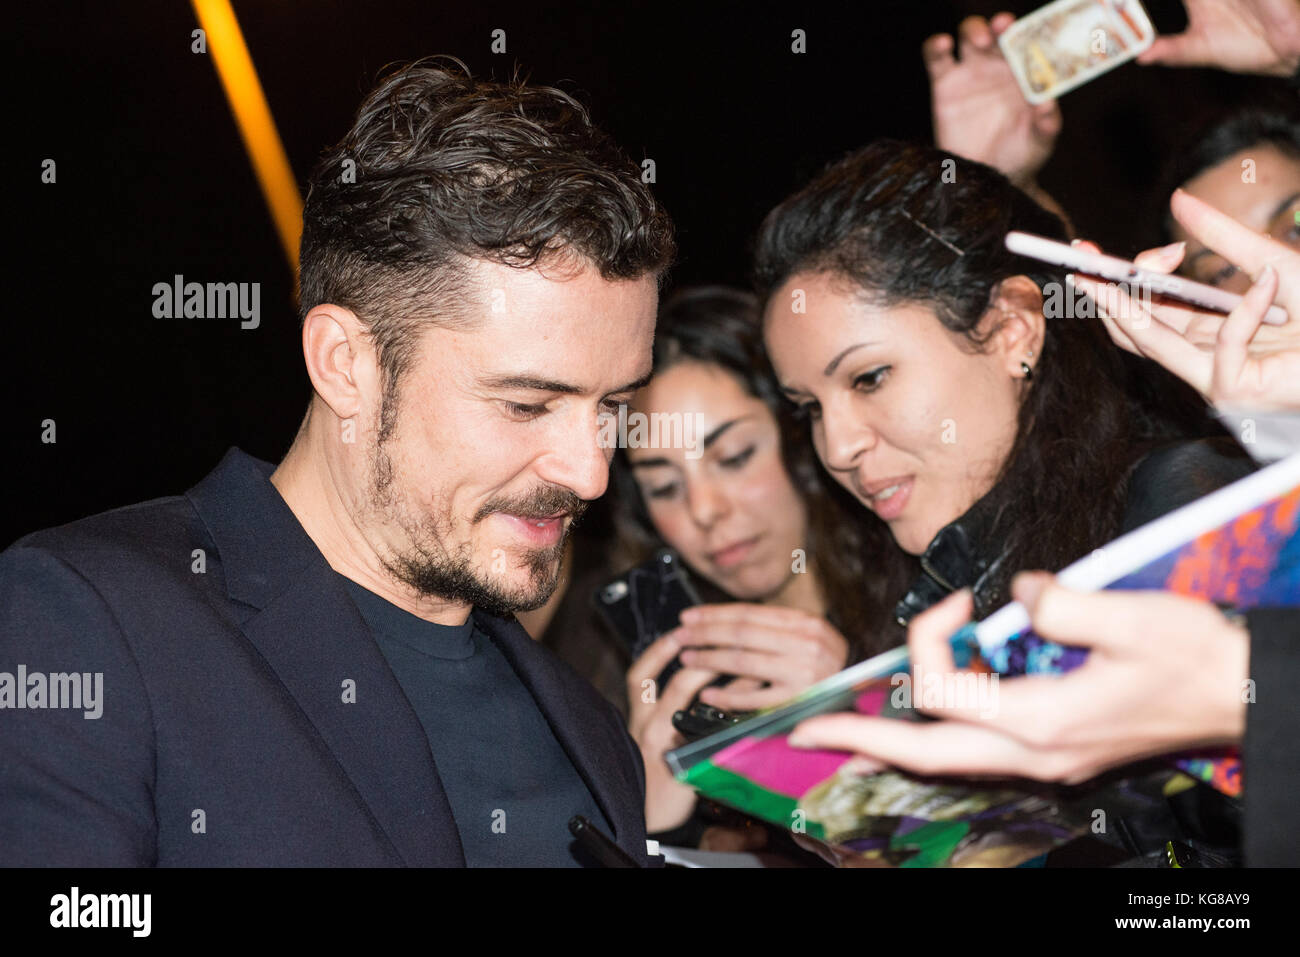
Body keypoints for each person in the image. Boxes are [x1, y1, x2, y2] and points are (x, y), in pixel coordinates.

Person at [0, 60, 676, 867]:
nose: (591, 472)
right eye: (526, 404)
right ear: (344, 362)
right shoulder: (89, 624)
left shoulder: (596, 733)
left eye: (613, 407)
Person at [752, 139, 1256, 861]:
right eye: (808, 408)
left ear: (1013, 328)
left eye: (868, 379)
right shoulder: (923, 578)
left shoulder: (1183, 518)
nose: (836, 447)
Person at [600, 287, 902, 841]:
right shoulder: (639, 683)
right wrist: (653, 828)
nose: (706, 510)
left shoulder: (932, 611)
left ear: (803, 438)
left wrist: (862, 718)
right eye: (664, 487)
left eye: (735, 457)